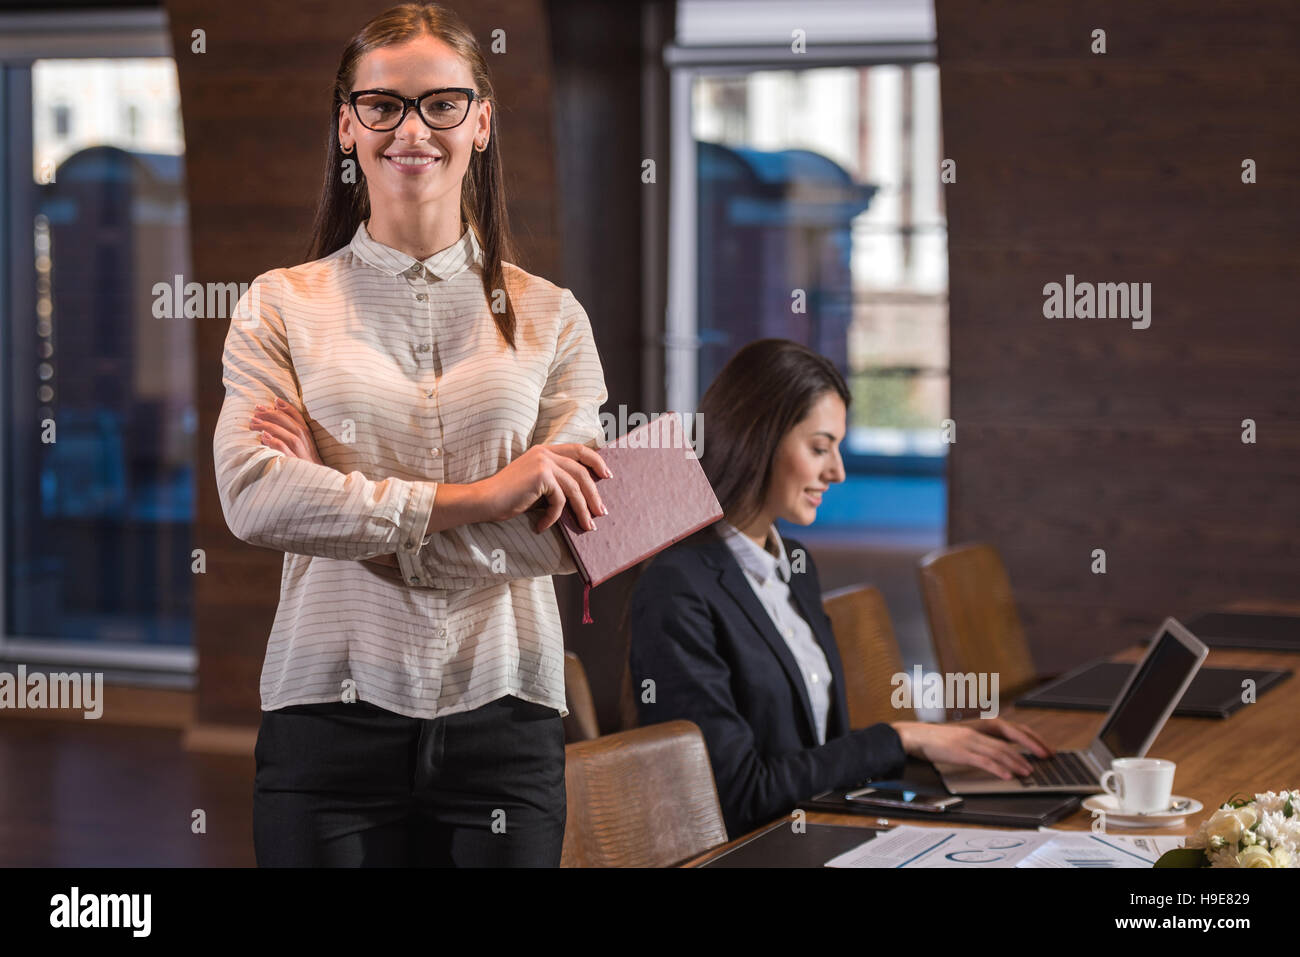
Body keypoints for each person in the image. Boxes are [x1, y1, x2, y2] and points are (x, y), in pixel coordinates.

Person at [213, 2, 610, 866]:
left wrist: (346, 509)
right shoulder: (279, 304)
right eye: (382, 105)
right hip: (325, 715)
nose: (412, 129)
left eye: (441, 102)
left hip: (507, 715)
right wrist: (491, 494)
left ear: (481, 121)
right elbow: (253, 498)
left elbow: (571, 538)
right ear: (347, 127)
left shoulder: (553, 317)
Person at [627, 339, 1052, 838]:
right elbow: (739, 797)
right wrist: (899, 737)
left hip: (824, 831)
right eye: (819, 447)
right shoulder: (677, 588)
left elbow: (814, 754)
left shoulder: (797, 565)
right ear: (757, 437)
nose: (838, 471)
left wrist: (932, 745)